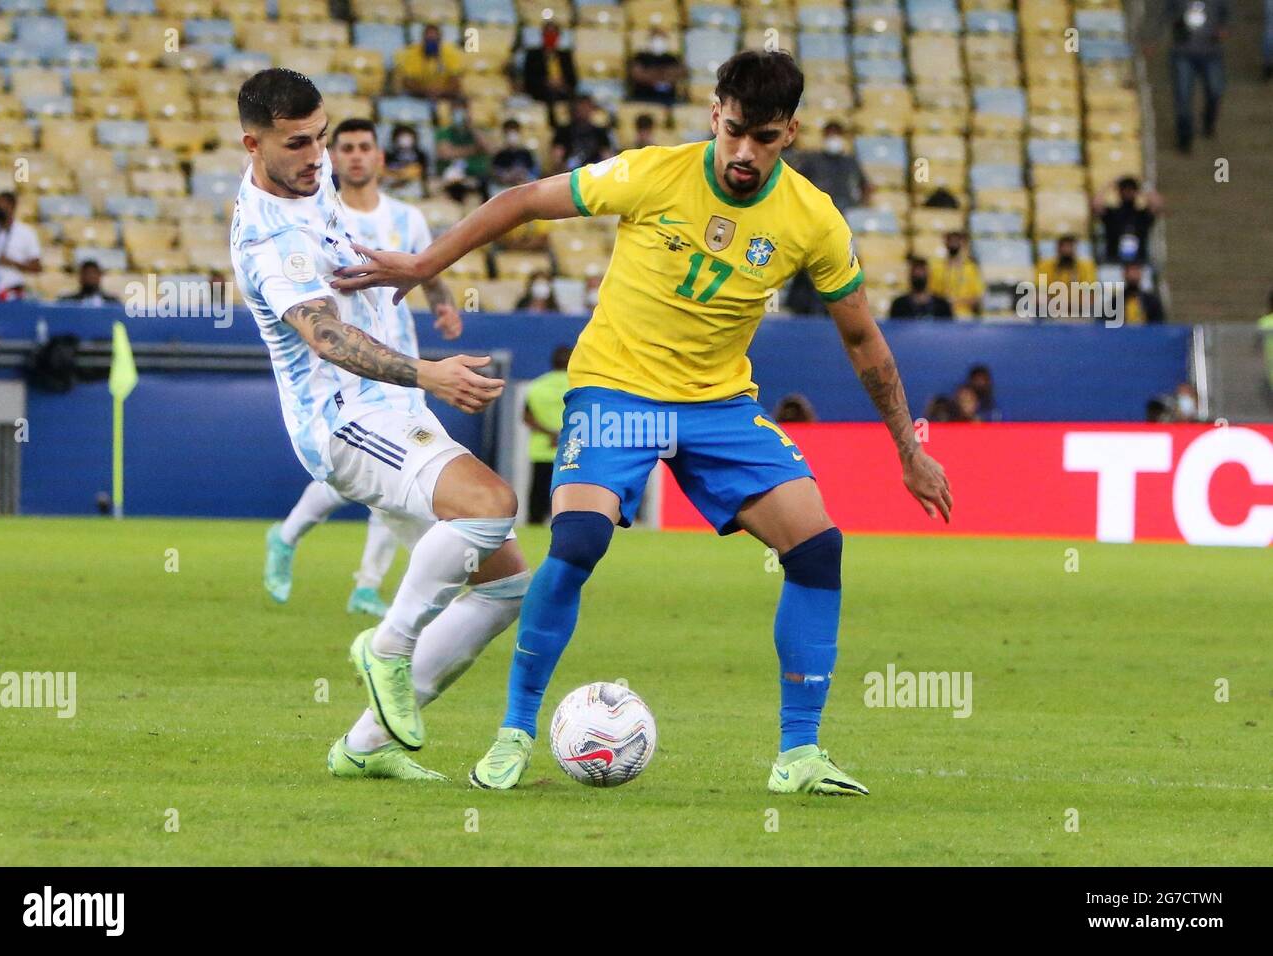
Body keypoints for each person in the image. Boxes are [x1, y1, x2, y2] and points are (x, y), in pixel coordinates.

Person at [334, 50, 953, 797]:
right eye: (733, 132)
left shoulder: (813, 219)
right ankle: (515, 734)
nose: (744, 153)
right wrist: (421, 263)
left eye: (763, 138)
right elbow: (525, 199)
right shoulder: (653, 172)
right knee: (581, 538)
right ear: (713, 115)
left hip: (718, 405)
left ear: (789, 133)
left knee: (819, 547)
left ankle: (799, 755)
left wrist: (907, 448)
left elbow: (861, 338)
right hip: (617, 393)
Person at [230, 69, 530, 783]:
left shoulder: (316, 177)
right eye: (297, 144)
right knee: (491, 504)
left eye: (323, 138)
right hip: (344, 419)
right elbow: (327, 339)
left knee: (507, 584)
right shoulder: (268, 239)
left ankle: (365, 746)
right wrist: (430, 370)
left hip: (394, 410)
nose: (316, 156)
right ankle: (387, 647)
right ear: (253, 144)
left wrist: (407, 273)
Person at [263, 117, 466, 618]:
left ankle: (368, 585)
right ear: (335, 158)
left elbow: (425, 267)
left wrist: (441, 303)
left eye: (364, 148)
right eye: (345, 147)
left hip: (403, 364)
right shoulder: (323, 219)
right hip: (351, 366)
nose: (354, 156)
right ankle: (288, 537)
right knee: (360, 478)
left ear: (379, 158)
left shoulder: (409, 218)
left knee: (399, 483)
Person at [785, 120, 871, 315]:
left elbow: (866, 187)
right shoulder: (811, 160)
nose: (834, 138)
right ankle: (801, 306)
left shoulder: (850, 162)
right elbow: (795, 183)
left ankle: (844, 307)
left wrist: (860, 208)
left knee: (846, 262)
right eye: (830, 134)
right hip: (813, 220)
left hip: (844, 220)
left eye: (837, 133)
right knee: (806, 265)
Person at [1160, 0, 1229, 152]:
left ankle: (1208, 122)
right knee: (1183, 98)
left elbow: (1226, 13)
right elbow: (1165, 12)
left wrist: (1223, 28)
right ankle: (1184, 138)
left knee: (1215, 91)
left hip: (1211, 52)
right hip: (1182, 53)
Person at [524, 345, 572, 524]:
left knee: (538, 493)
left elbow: (527, 417)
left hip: (542, 449)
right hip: (573, 451)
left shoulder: (537, 385)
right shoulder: (579, 386)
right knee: (570, 494)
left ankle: (534, 522)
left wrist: (550, 433)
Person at [0, 191, 41, 301]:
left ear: (12, 207)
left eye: (2, 205)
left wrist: (10, 262)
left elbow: (37, 267)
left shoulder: (26, 232)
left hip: (12, 288)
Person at [1092, 176, 1162, 264]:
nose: (1128, 192)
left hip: (1139, 265)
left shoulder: (1142, 215)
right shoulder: (1112, 214)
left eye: (1131, 189)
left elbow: (1157, 205)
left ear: (1136, 192)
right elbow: (1096, 206)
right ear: (1119, 192)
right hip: (1114, 263)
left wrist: (1145, 187)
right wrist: (1106, 187)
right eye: (1124, 189)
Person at [435, 101, 490, 201]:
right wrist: (474, 149)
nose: (459, 114)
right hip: (454, 177)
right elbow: (446, 153)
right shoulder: (444, 132)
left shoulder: (477, 131)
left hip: (476, 174)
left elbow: (488, 148)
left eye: (462, 111)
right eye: (455, 111)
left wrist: (472, 128)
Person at [522, 19, 577, 118]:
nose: (550, 36)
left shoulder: (565, 55)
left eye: (553, 33)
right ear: (542, 35)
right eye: (548, 33)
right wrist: (546, 82)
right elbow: (528, 77)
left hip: (562, 89)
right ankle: (553, 124)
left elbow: (573, 78)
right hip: (541, 89)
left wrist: (562, 83)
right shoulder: (533, 55)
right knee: (551, 95)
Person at [392, 23, 463, 99]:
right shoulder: (412, 54)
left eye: (434, 40)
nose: (431, 43)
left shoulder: (451, 53)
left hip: (444, 95)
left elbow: (455, 81)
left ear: (440, 40)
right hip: (419, 96)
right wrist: (426, 91)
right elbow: (408, 82)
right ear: (423, 40)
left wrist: (441, 91)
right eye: (428, 40)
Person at [1034, 234, 1098, 319]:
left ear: (1075, 249)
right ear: (1057, 249)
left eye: (1070, 247)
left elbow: (1089, 297)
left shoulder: (1087, 266)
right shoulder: (1044, 265)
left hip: (1078, 310)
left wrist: (1068, 306)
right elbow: (1040, 294)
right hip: (1051, 310)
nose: (1066, 250)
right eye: (1063, 247)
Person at [550, 94, 613, 173]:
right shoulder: (563, 131)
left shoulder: (600, 132)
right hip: (570, 172)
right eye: (581, 107)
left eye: (587, 107)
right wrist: (561, 170)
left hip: (594, 172)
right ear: (574, 109)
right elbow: (557, 157)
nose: (584, 110)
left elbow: (607, 157)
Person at [928, 230, 983, 319]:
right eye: (950, 241)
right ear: (945, 243)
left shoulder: (971, 268)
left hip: (965, 317)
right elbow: (931, 294)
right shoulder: (936, 267)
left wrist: (956, 302)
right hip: (942, 317)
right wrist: (944, 304)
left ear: (961, 243)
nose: (953, 244)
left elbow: (977, 297)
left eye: (956, 241)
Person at [628, 28, 684, 105]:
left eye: (661, 39)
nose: (658, 42)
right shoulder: (640, 57)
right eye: (655, 39)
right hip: (643, 98)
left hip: (668, 99)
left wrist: (650, 73)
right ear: (649, 41)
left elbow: (678, 74)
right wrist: (663, 74)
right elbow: (637, 75)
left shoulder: (672, 58)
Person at [889, 257, 953, 320]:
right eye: (916, 272)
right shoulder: (899, 305)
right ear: (910, 275)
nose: (918, 274)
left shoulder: (942, 305)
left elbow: (949, 328)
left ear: (929, 275)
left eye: (922, 271)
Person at [381, 124, 429, 197]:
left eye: (408, 137)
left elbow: (423, 173)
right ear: (395, 138)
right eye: (402, 137)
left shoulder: (420, 154)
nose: (405, 140)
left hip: (412, 184)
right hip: (393, 182)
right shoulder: (389, 154)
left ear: (414, 138)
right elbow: (385, 171)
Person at [490, 119, 539, 189]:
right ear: (504, 134)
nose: (512, 136)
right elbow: (495, 172)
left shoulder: (526, 153)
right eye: (508, 133)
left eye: (515, 132)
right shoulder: (499, 154)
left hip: (524, 186)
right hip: (505, 188)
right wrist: (506, 176)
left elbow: (534, 172)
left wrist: (523, 175)